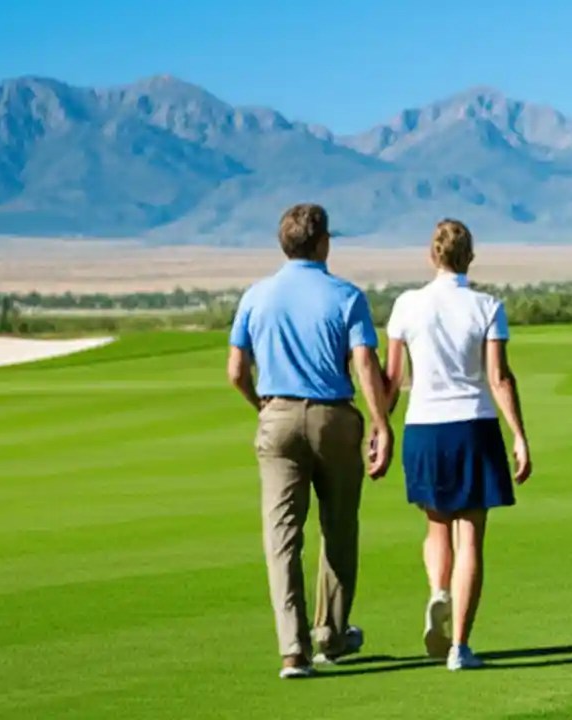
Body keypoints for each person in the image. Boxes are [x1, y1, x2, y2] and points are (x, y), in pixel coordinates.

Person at [227, 203, 393, 679]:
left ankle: (292, 650)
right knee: (338, 528)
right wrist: (381, 424)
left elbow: (236, 371)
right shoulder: (346, 296)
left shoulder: (256, 296)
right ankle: (332, 636)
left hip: (276, 414)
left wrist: (262, 406)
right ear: (322, 243)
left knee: (282, 538)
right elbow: (364, 366)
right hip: (334, 418)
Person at [383, 218, 532, 671]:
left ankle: (438, 592)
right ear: (469, 257)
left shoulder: (406, 305)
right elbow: (498, 377)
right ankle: (460, 647)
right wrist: (520, 436)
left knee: (436, 525)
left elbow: (392, 378)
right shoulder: (487, 305)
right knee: (471, 537)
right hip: (474, 425)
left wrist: (378, 427)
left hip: (423, 428)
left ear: (433, 256)